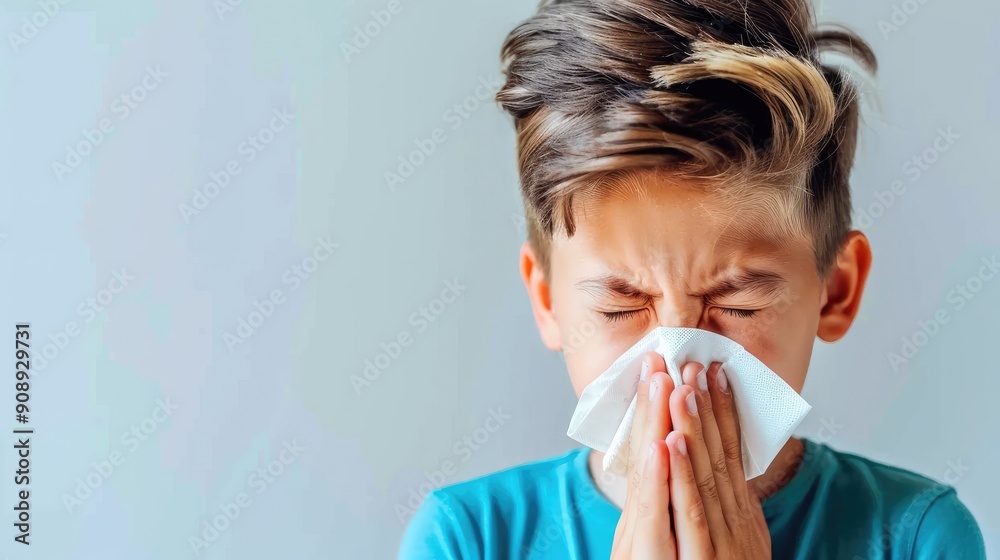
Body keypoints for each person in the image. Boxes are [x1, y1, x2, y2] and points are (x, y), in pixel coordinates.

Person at [399, 0, 986, 557]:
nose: (678, 368)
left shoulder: (916, 536)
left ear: (835, 290)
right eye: (620, 305)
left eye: (739, 303)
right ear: (548, 299)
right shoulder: (467, 538)